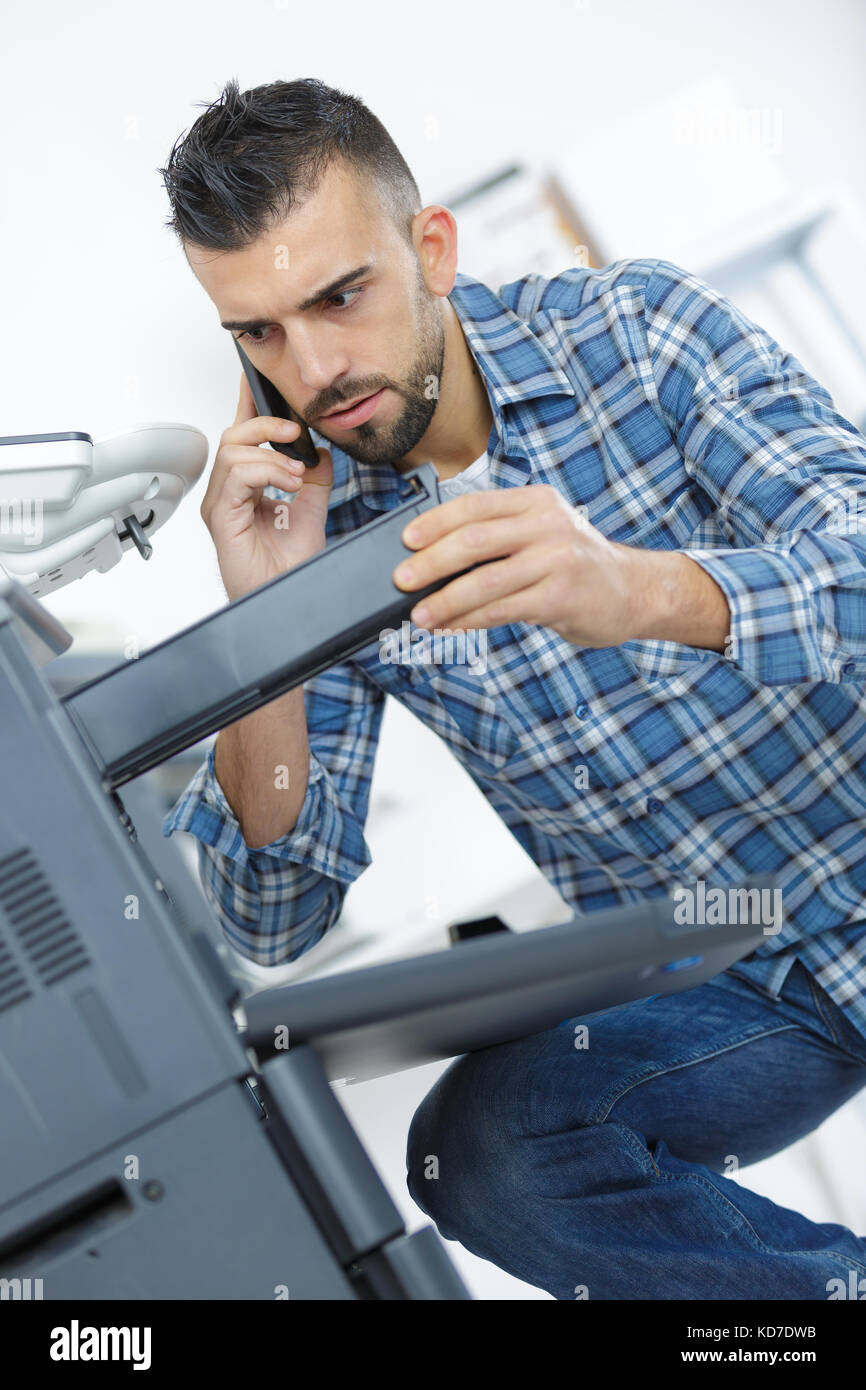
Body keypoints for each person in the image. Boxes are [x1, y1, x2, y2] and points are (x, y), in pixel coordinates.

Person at [158, 77, 866, 1300]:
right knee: (480, 1150)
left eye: (338, 298)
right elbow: (271, 916)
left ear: (429, 249)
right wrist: (258, 619)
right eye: (260, 334)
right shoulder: (316, 529)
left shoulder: (634, 332)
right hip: (735, 977)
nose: (315, 368)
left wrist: (641, 592)